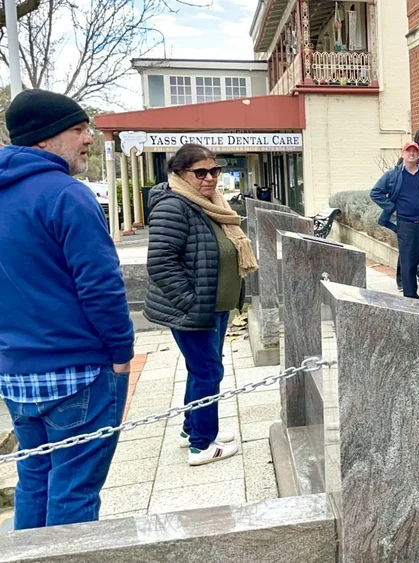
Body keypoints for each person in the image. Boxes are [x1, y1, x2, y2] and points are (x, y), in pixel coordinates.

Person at [0, 89, 134, 529]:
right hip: (77, 367)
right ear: (44, 139)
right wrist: (121, 353)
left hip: (16, 371)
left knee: (34, 479)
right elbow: (100, 285)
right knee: (74, 488)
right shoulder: (66, 195)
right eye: (78, 129)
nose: (88, 139)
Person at [144, 143, 258, 466]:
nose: (210, 178)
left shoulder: (210, 203)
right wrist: (190, 304)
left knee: (201, 370)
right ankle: (202, 444)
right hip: (195, 310)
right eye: (200, 172)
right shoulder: (174, 206)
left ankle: (191, 427)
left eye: (214, 171)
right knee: (209, 372)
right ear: (180, 174)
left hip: (216, 307)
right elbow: (161, 263)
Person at [371, 141, 419, 303]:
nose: (411, 154)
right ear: (403, 154)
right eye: (408, 151)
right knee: (408, 263)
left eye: (415, 151)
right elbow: (375, 192)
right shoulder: (393, 175)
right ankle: (411, 299)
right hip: (406, 226)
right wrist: (391, 208)